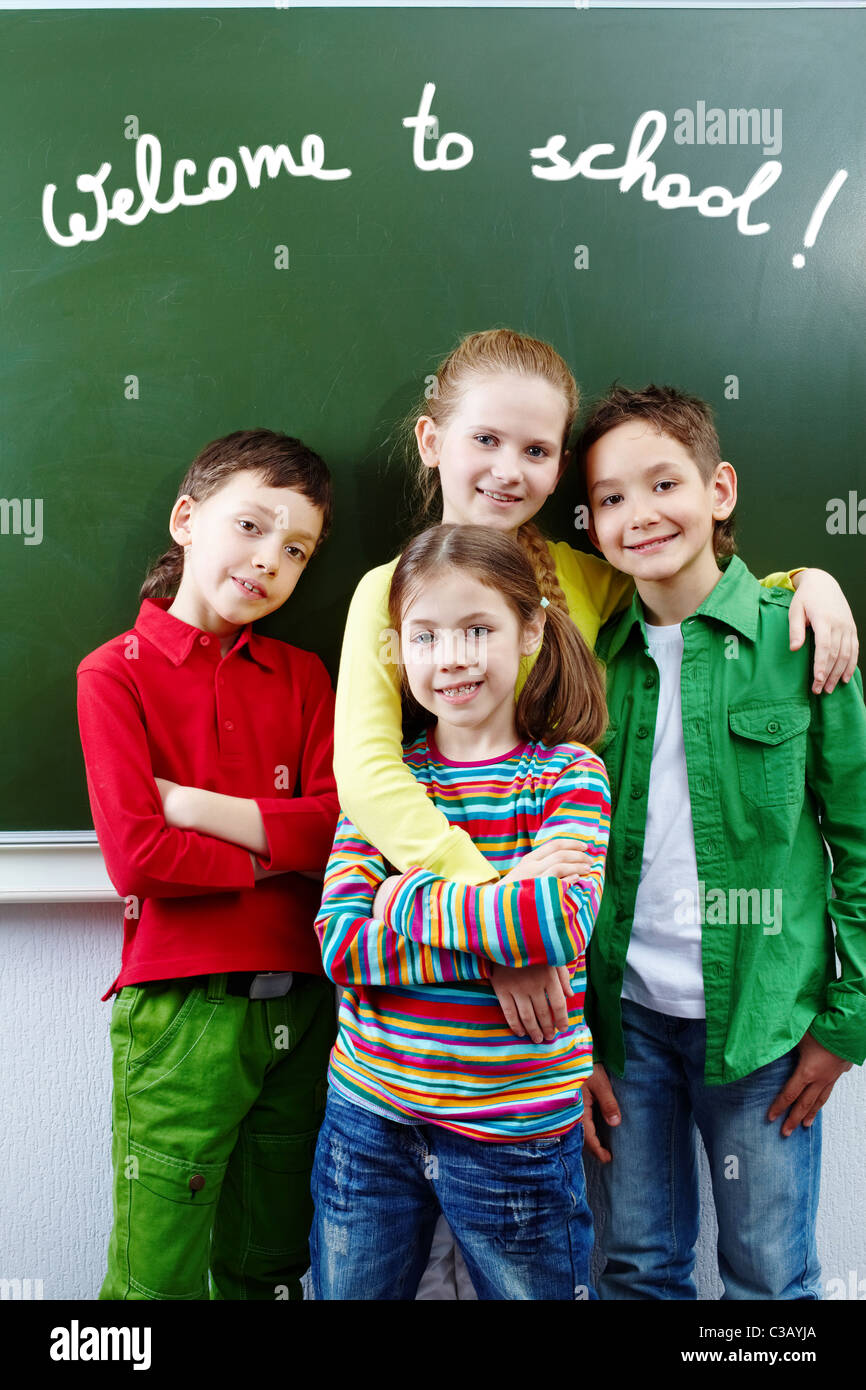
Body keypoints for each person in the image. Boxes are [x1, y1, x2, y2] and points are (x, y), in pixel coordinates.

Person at [331, 327, 859, 1298]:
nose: (507, 469)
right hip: (427, 1010)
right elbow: (365, 777)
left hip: (547, 1019)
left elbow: (693, 588)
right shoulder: (384, 595)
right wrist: (502, 920)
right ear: (429, 441)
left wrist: (807, 583)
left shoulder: (579, 578)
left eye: (536, 451)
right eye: (485, 440)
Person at [576, 384, 866, 1300]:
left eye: (664, 483)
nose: (640, 514)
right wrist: (573, 1035)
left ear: (720, 490)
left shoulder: (799, 633)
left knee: (771, 1277)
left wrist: (846, 1022)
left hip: (767, 1030)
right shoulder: (589, 655)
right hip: (623, 1026)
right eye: (611, 499)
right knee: (634, 1268)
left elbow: (860, 838)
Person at [310, 523, 610, 1300]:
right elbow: (341, 947)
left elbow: (556, 928)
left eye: (479, 630)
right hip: (369, 1121)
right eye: (426, 636)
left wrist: (400, 894)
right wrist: (501, 907)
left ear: (531, 628)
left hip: (514, 1134)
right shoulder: (390, 788)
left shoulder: (568, 775)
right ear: (398, 648)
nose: (452, 658)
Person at [76, 429, 339, 1300]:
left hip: (307, 1005)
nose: (269, 560)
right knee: (158, 1274)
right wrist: (275, 845)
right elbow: (137, 855)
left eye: (295, 549)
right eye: (251, 526)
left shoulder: (304, 676)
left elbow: (342, 828)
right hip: (182, 1007)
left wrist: (194, 808)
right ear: (188, 520)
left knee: (271, 1265)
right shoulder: (113, 673)